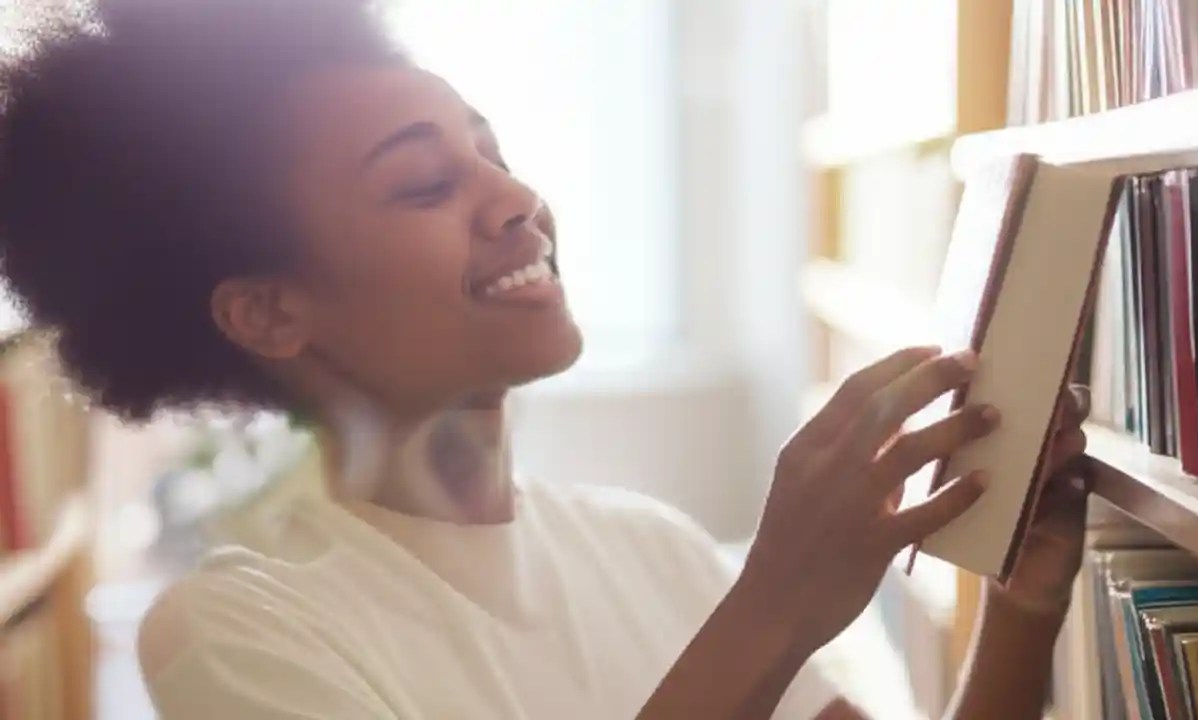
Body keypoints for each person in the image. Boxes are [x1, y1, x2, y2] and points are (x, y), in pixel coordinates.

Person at [0, 1, 1093, 718]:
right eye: (425, 184)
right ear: (270, 314)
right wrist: (776, 600)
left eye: (494, 153)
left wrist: (1023, 602)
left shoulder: (646, 548)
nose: (517, 200)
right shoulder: (238, 633)